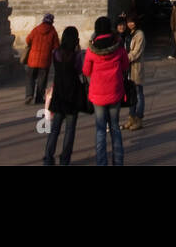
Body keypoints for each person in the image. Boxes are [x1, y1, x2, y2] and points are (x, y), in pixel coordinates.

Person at [81, 15, 129, 166]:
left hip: (98, 94)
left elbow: (86, 70)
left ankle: (101, 163)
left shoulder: (92, 50)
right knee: (115, 127)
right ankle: (118, 161)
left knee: (100, 130)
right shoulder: (118, 46)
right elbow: (125, 66)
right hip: (115, 91)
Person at [43, 26, 85, 166]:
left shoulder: (56, 53)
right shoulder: (77, 56)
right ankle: (64, 159)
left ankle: (48, 158)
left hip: (59, 94)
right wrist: (78, 51)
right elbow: (80, 71)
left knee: (54, 130)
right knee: (69, 130)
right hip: (72, 95)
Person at [24, 13, 59, 105]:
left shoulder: (36, 29)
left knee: (30, 77)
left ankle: (29, 95)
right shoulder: (53, 32)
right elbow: (56, 46)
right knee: (42, 80)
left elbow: (28, 40)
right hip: (45, 60)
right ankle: (39, 98)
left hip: (32, 59)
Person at [123, 13, 145, 130]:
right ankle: (131, 117)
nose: (130, 24)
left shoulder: (139, 34)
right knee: (131, 94)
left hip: (136, 67)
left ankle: (139, 118)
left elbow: (136, 52)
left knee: (138, 93)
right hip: (128, 68)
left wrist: (124, 59)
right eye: (128, 22)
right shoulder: (129, 34)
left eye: (132, 21)